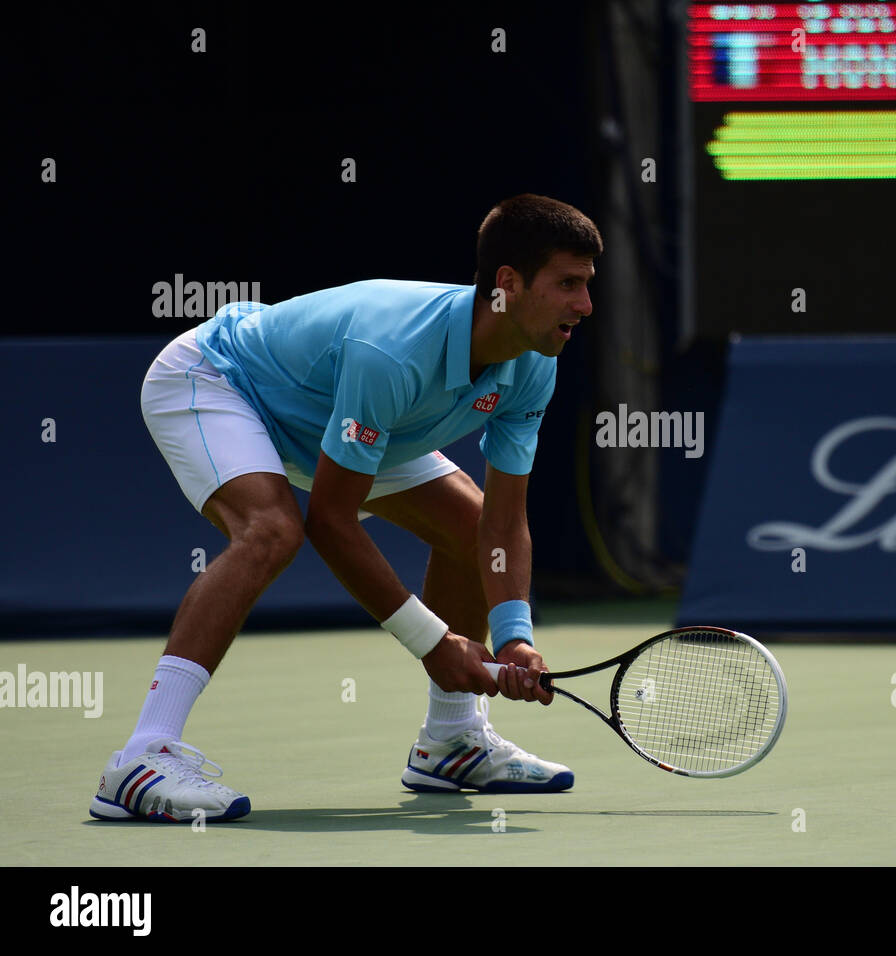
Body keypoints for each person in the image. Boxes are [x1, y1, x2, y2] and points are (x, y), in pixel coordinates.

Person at [90, 194, 602, 822]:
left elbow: (501, 522)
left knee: (467, 526)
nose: (585, 306)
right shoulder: (393, 351)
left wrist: (515, 639)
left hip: (344, 418)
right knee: (271, 530)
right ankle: (141, 757)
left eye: (587, 284)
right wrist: (433, 641)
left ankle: (451, 741)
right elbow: (329, 522)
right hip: (220, 380)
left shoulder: (533, 363)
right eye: (569, 285)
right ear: (508, 284)